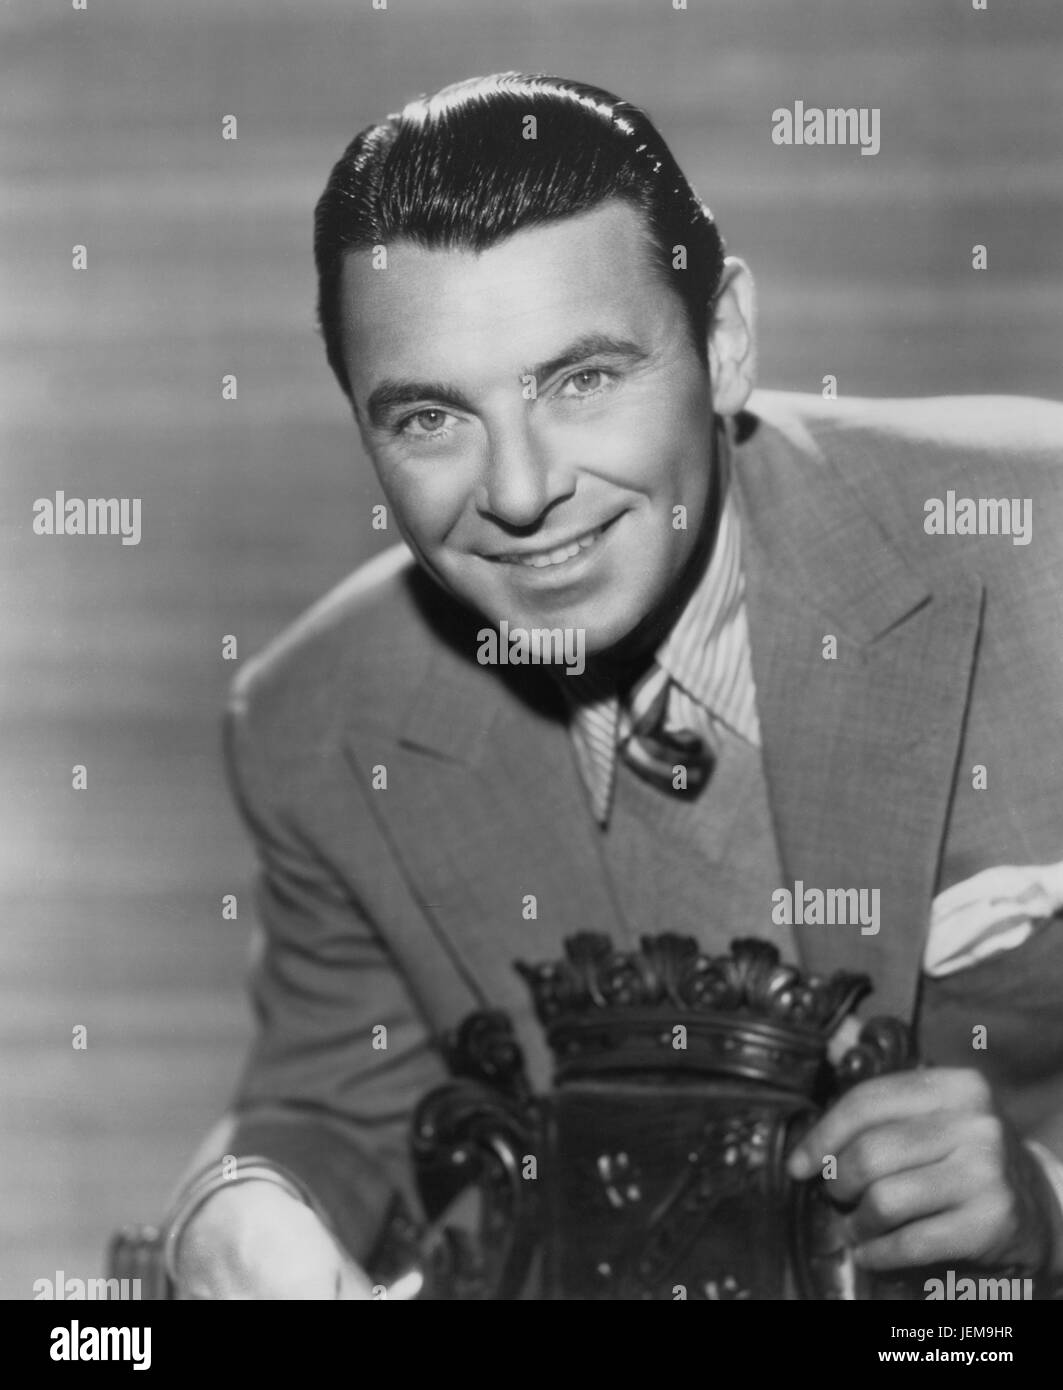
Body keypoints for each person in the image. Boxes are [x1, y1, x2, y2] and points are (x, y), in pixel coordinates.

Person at [167, 73, 1063, 1300]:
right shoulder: (316, 721)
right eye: (430, 417)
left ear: (726, 340)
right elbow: (329, 1103)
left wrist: (1045, 1206)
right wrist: (238, 1212)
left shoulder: (1038, 546)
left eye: (581, 379)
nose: (522, 491)